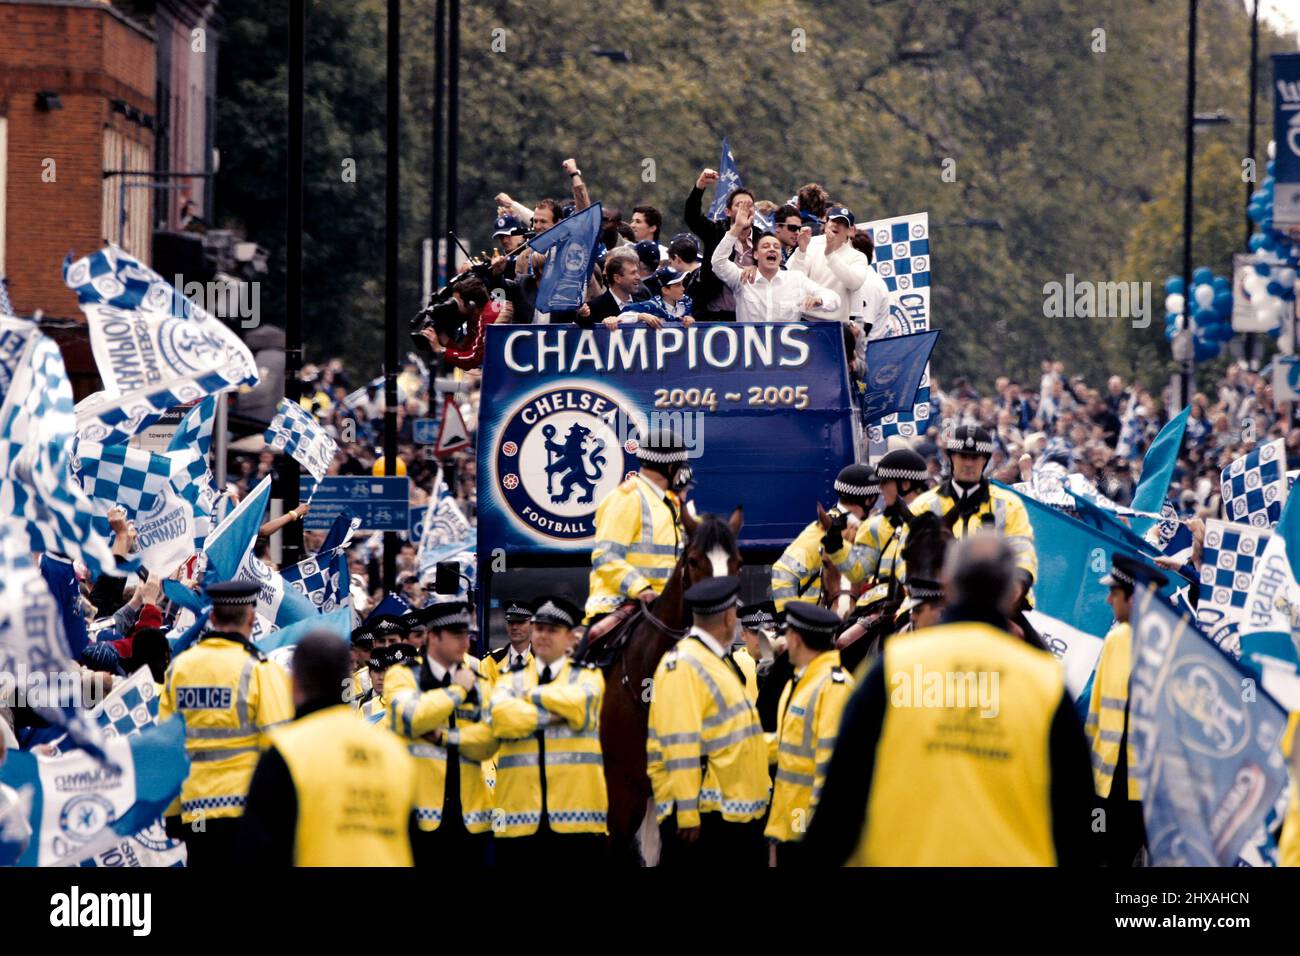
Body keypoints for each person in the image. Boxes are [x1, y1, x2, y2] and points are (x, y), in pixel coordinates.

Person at [802, 535, 1095, 866]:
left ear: (949, 584)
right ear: (1011, 593)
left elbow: (842, 799)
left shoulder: (896, 667)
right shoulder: (1046, 684)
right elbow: (1074, 819)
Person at [238, 633, 419, 866]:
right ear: (346, 680)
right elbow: (415, 844)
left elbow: (259, 850)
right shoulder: (393, 752)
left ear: (294, 683)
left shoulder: (285, 751)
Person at [158, 581, 293, 868]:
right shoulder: (260, 670)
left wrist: (172, 813)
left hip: (197, 813)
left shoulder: (179, 670)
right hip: (246, 812)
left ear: (213, 618)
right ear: (252, 619)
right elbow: (280, 747)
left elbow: (167, 749)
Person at [647, 576, 769, 867]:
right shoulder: (686, 664)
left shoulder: (711, 661)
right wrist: (687, 812)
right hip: (705, 818)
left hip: (729, 813)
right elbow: (681, 741)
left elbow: (733, 735)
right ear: (729, 618)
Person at [487, 596, 607, 867]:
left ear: (569, 638)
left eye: (552, 630)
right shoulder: (508, 677)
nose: (543, 635)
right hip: (521, 821)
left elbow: (579, 706)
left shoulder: (588, 676)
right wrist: (551, 715)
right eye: (539, 628)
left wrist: (528, 696)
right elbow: (500, 718)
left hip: (577, 821)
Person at [384, 601, 497, 869]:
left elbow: (490, 741)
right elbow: (411, 718)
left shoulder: (478, 684)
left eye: (467, 635)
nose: (465, 644)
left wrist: (446, 738)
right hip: (417, 818)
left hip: (471, 820)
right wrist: (456, 693)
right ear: (433, 636)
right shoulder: (403, 675)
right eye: (457, 635)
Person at [1084, 554, 1168, 867]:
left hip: (1136, 789)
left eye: (1114, 593)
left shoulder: (1157, 644)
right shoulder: (1119, 639)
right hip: (1117, 788)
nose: (1108, 600)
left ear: (1132, 599)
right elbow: (1096, 712)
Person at [910, 425, 1037, 613]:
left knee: (1033, 642)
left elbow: (1022, 551)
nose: (968, 463)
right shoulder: (924, 505)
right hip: (934, 598)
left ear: (985, 460)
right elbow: (911, 557)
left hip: (997, 600)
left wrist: (1017, 585)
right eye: (962, 456)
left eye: (975, 457)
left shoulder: (1010, 504)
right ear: (951, 457)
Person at [765, 601, 854, 866]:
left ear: (796, 638)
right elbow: (785, 745)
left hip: (808, 831)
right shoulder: (803, 681)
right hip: (790, 824)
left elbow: (831, 768)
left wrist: (817, 831)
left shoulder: (832, 687)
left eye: (787, 633)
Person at [584, 428, 690, 624]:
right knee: (593, 645)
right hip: (618, 607)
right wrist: (641, 588)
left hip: (660, 607)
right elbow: (605, 556)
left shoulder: (667, 501)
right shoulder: (625, 498)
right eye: (680, 466)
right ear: (670, 468)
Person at [827, 448, 930, 616]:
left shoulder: (936, 519)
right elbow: (858, 571)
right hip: (878, 603)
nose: (879, 488)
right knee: (844, 641)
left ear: (905, 485)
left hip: (921, 602)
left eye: (884, 482)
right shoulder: (874, 525)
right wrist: (837, 549)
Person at [771, 464, 878, 613]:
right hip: (817, 627)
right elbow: (783, 572)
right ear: (869, 500)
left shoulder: (864, 528)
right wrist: (792, 620)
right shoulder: (822, 531)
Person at [711, 208, 840, 324]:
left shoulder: (796, 278)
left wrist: (820, 300)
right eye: (765, 246)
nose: (772, 249)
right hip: (751, 348)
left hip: (786, 349)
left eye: (776, 247)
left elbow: (835, 300)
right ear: (755, 255)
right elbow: (718, 262)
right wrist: (737, 227)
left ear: (780, 255)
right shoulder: (744, 278)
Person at [684, 171, 765, 321]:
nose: (745, 209)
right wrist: (700, 186)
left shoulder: (763, 239)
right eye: (739, 205)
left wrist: (759, 269)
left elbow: (780, 269)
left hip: (748, 319)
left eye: (749, 205)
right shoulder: (715, 231)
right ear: (728, 212)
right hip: (711, 315)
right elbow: (691, 217)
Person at [785, 206, 870, 325]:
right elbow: (791, 279)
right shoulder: (811, 243)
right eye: (833, 221)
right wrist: (801, 251)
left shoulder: (858, 257)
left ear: (850, 231)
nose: (836, 225)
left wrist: (830, 255)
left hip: (836, 324)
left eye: (843, 223)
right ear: (826, 224)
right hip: (804, 319)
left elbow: (854, 283)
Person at [609, 267, 695, 328]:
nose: (683, 288)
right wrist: (640, 316)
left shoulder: (686, 304)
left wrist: (692, 321)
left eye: (682, 284)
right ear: (665, 290)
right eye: (677, 285)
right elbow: (621, 318)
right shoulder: (651, 306)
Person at [587, 253, 648, 326]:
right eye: (633, 273)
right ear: (617, 278)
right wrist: (602, 326)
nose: (638, 277)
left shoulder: (644, 304)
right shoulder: (594, 307)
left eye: (637, 272)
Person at [482, 600, 533, 684]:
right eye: (510, 622)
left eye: (520, 622)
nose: (514, 627)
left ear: (532, 625)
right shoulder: (491, 661)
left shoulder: (544, 660)